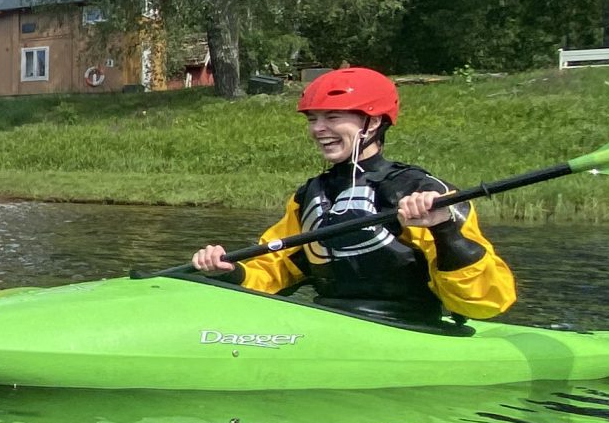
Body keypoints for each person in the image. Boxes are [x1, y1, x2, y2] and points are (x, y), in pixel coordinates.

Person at [191, 65, 515, 320]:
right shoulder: (311, 195)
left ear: (371, 124)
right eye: (313, 119)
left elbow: (487, 303)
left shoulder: (421, 190)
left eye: (333, 117)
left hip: (408, 327)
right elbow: (277, 269)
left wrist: (444, 228)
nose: (318, 129)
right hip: (330, 320)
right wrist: (232, 271)